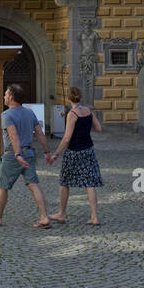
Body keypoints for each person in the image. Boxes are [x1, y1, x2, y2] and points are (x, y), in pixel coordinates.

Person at [0, 84, 52, 229]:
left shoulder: (7, 115)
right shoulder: (30, 113)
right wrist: (47, 152)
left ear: (11, 97)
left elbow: (13, 136)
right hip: (30, 153)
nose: (4, 96)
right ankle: (44, 217)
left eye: (6, 94)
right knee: (34, 184)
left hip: (13, 156)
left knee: (3, 187)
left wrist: (17, 154)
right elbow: (40, 133)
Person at [47, 86, 104, 226]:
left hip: (74, 152)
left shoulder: (72, 114)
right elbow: (99, 128)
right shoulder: (88, 111)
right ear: (81, 97)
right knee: (89, 183)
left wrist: (56, 154)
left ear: (68, 98)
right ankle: (94, 217)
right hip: (88, 150)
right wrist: (85, 127)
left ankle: (61, 214)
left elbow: (66, 138)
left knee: (64, 183)